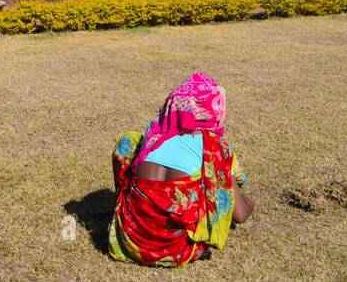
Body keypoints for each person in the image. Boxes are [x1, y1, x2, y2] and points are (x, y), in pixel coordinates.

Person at [109, 72, 255, 267]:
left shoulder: (153, 134)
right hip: (175, 251)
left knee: (129, 140)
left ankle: (129, 206)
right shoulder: (213, 146)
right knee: (218, 164)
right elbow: (240, 214)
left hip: (128, 242)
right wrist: (250, 203)